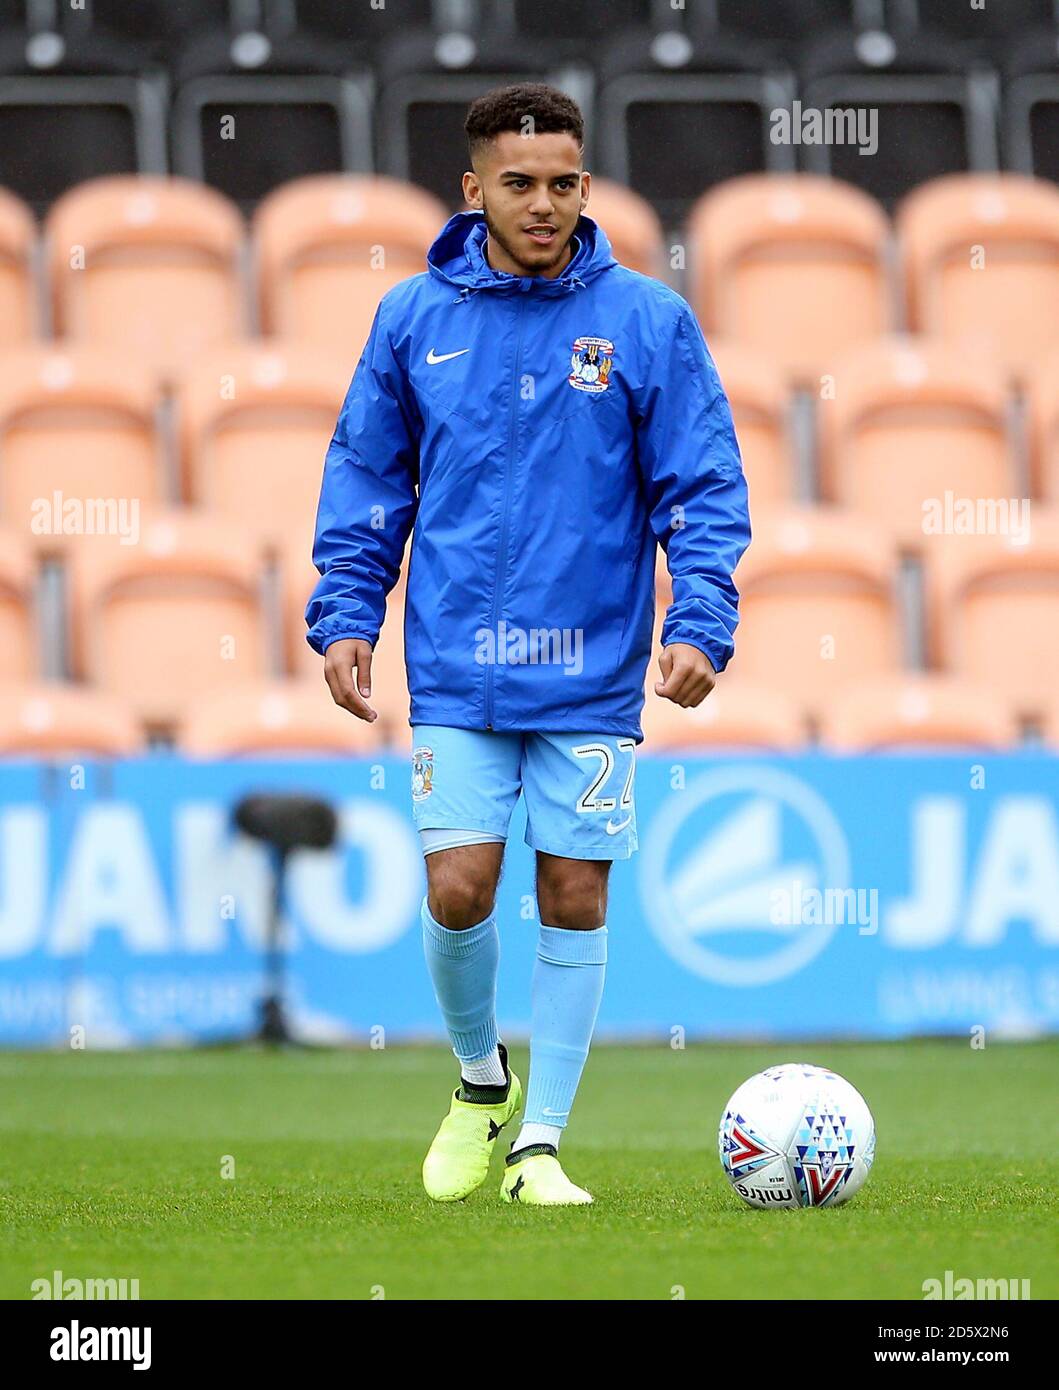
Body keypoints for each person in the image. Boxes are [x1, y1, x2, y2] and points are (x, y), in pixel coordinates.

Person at [307, 82, 750, 1206]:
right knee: (458, 887)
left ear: (586, 187)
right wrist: (349, 607)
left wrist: (700, 619)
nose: (542, 204)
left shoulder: (649, 321)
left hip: (592, 667)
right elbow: (368, 472)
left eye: (562, 183)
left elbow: (700, 485)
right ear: (475, 190)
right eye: (519, 183)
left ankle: (539, 1147)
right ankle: (477, 1080)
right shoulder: (412, 317)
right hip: (456, 658)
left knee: (574, 891)